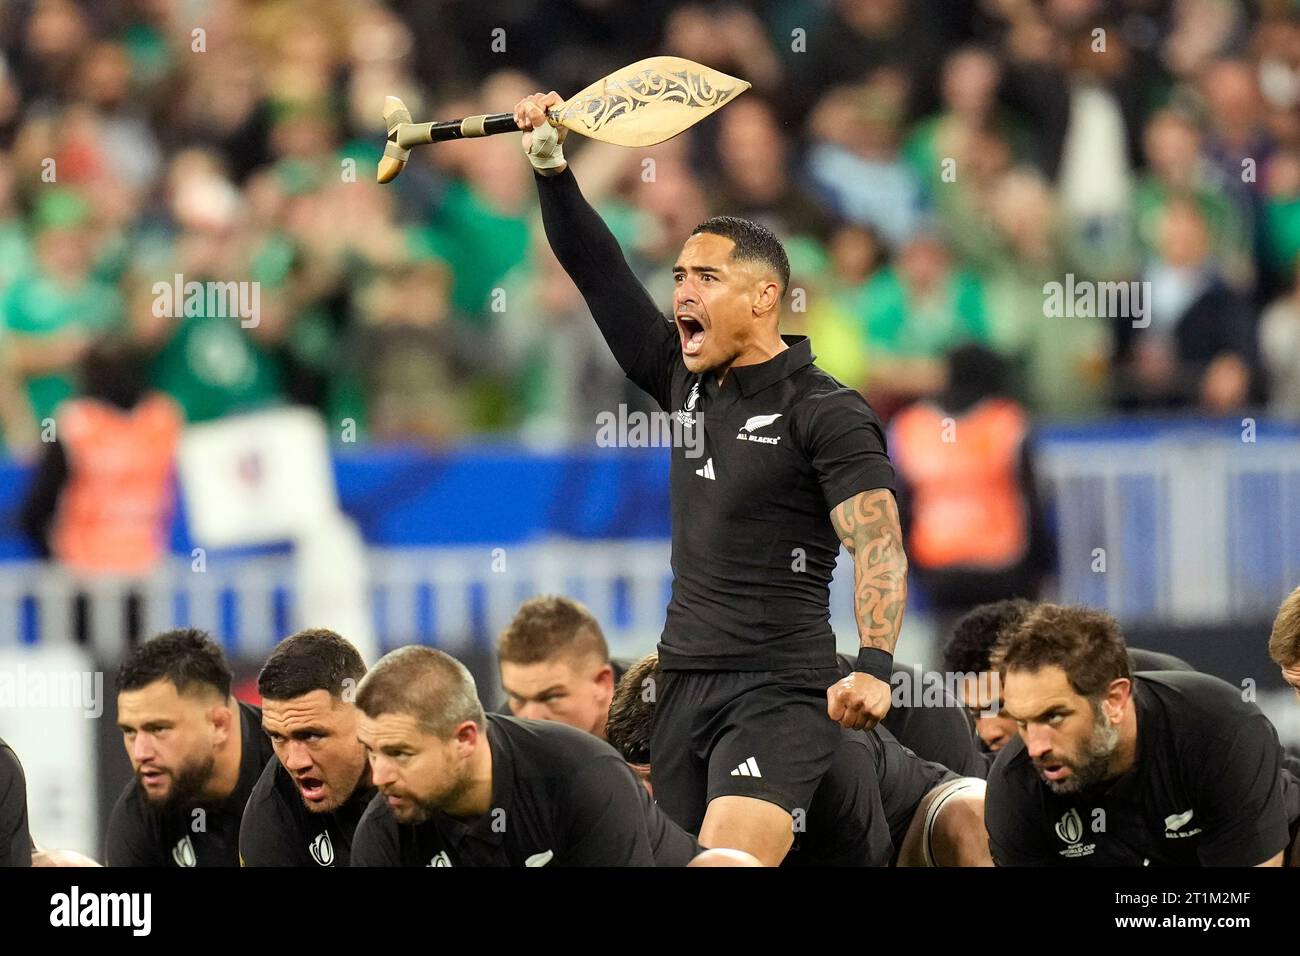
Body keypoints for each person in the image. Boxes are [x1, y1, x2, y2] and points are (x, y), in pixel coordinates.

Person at [515, 89, 908, 866]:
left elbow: (880, 544)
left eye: (707, 277)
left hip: (780, 692)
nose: (682, 290)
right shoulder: (680, 377)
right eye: (680, 275)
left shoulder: (827, 411)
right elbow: (599, 271)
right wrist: (552, 169)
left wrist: (875, 667)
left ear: (765, 297)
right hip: (682, 688)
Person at [985, 604, 1299, 866]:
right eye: (1023, 723)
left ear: (1115, 700)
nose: (1036, 748)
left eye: (1054, 717)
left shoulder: (1220, 733)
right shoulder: (1016, 782)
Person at [608, 653, 991, 867]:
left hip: (906, 833)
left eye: (652, 778)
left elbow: (864, 854)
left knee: (971, 816)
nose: (649, 796)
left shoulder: (825, 749)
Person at [350, 646, 699, 866]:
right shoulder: (383, 833)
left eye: (400, 753)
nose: (380, 776)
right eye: (371, 752)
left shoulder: (580, 775)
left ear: (466, 739)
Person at [106, 629, 274, 866]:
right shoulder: (139, 820)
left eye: (158, 729)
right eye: (130, 731)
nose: (140, 753)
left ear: (218, 725)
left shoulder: (297, 772)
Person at [942, 599, 1194, 757]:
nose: (988, 733)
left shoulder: (1176, 712)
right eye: (975, 714)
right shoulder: (985, 763)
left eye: (998, 706)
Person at [240, 628, 375, 867]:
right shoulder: (271, 819)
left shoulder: (433, 773)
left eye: (311, 736)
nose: (294, 762)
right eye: (278, 737)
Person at [495, 595, 632, 737]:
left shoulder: (653, 715)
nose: (531, 718)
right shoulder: (502, 737)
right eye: (518, 698)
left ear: (602, 683)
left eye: (551, 697)